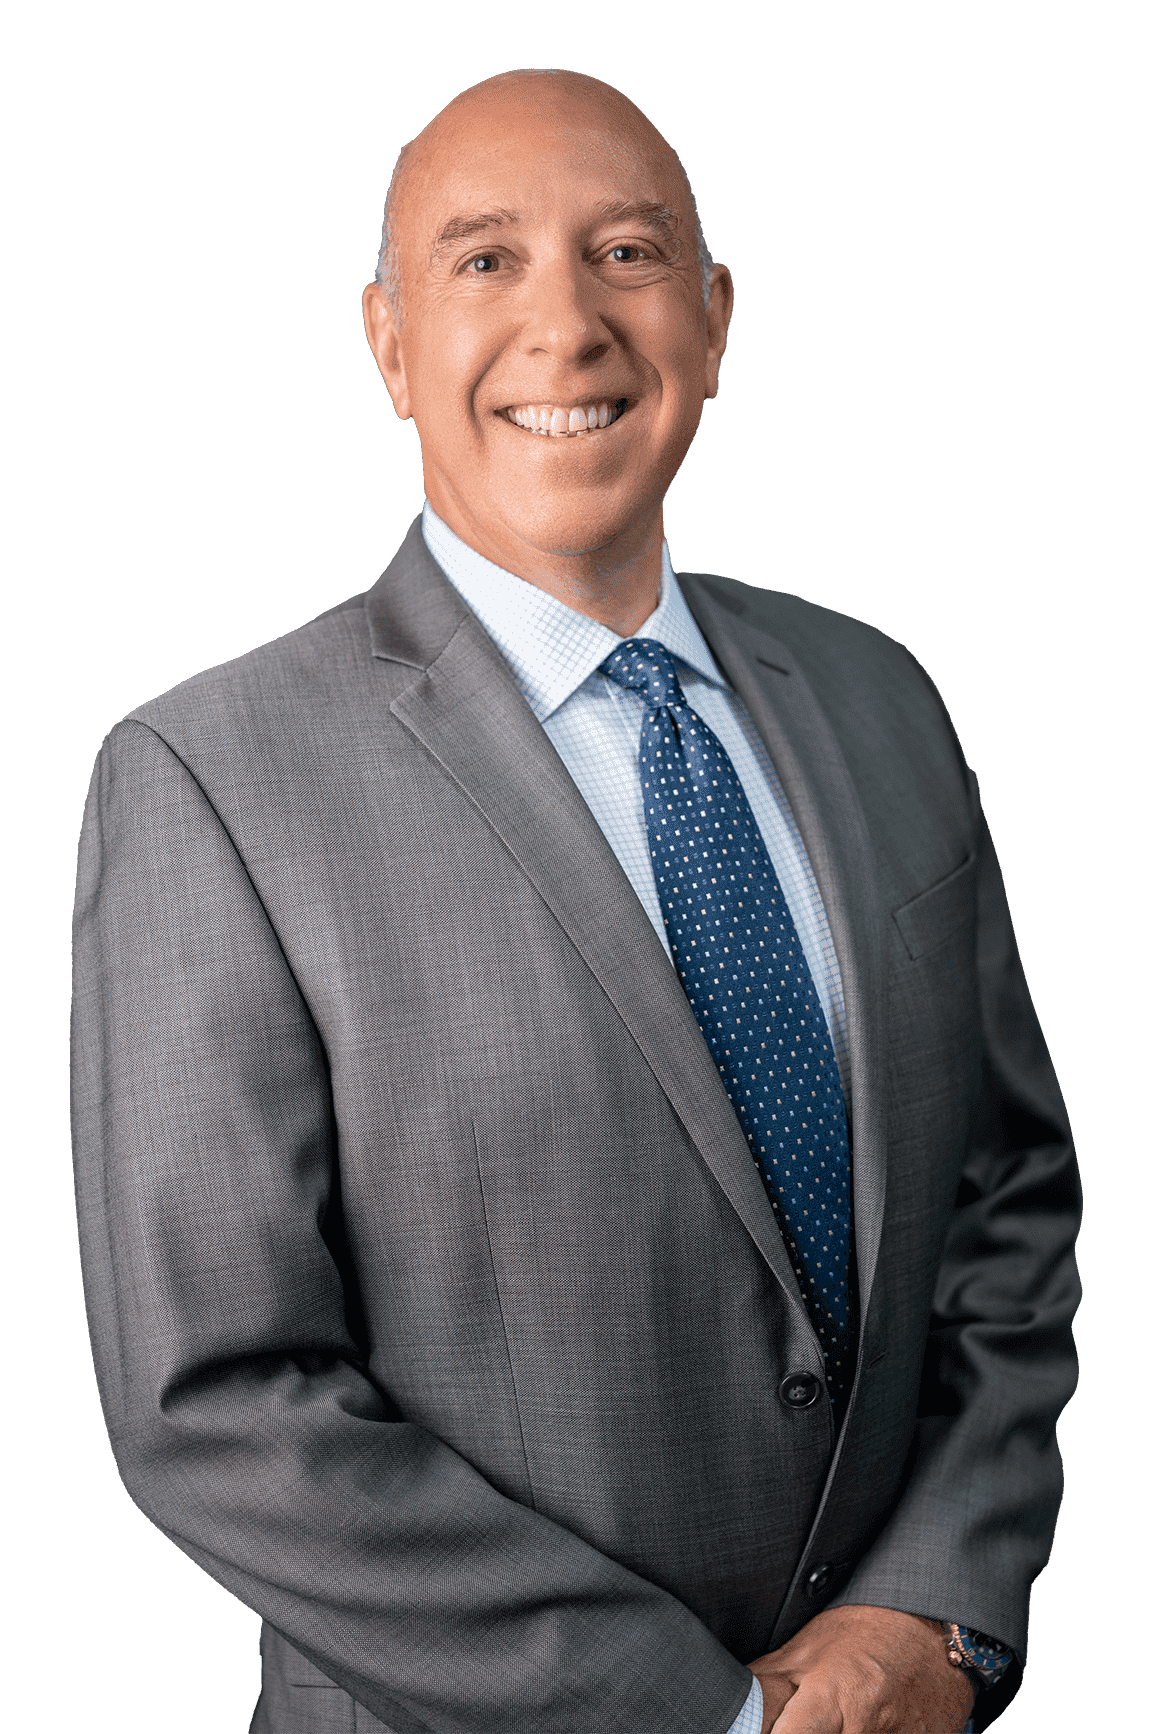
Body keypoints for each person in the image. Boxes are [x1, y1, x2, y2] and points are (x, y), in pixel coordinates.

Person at [71, 70, 1080, 1734]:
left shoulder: (881, 697)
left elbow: (1005, 1205)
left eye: (625, 252)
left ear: (712, 318)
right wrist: (714, 1716)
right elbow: (219, 1402)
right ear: (390, 345)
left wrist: (933, 1613)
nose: (567, 323)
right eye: (484, 261)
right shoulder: (210, 777)